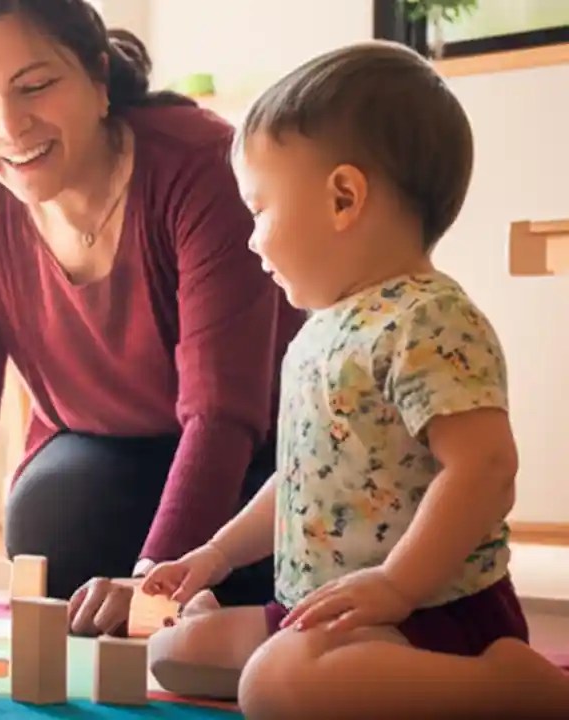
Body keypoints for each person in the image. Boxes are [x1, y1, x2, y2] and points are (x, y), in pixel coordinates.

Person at [0, 0, 304, 635]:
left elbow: (222, 409)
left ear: (98, 79)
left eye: (35, 86)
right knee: (48, 519)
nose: (11, 126)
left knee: (281, 555)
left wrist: (151, 581)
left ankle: (221, 596)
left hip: (256, 453)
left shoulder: (200, 166)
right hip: (109, 450)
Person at [139, 40, 569, 719]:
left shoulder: (428, 319)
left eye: (259, 209)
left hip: (429, 617)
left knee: (272, 688)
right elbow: (309, 477)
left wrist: (397, 586)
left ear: (343, 198)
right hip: (325, 607)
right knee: (171, 650)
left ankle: (512, 688)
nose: (250, 239)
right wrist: (215, 555)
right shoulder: (326, 328)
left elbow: (485, 468)